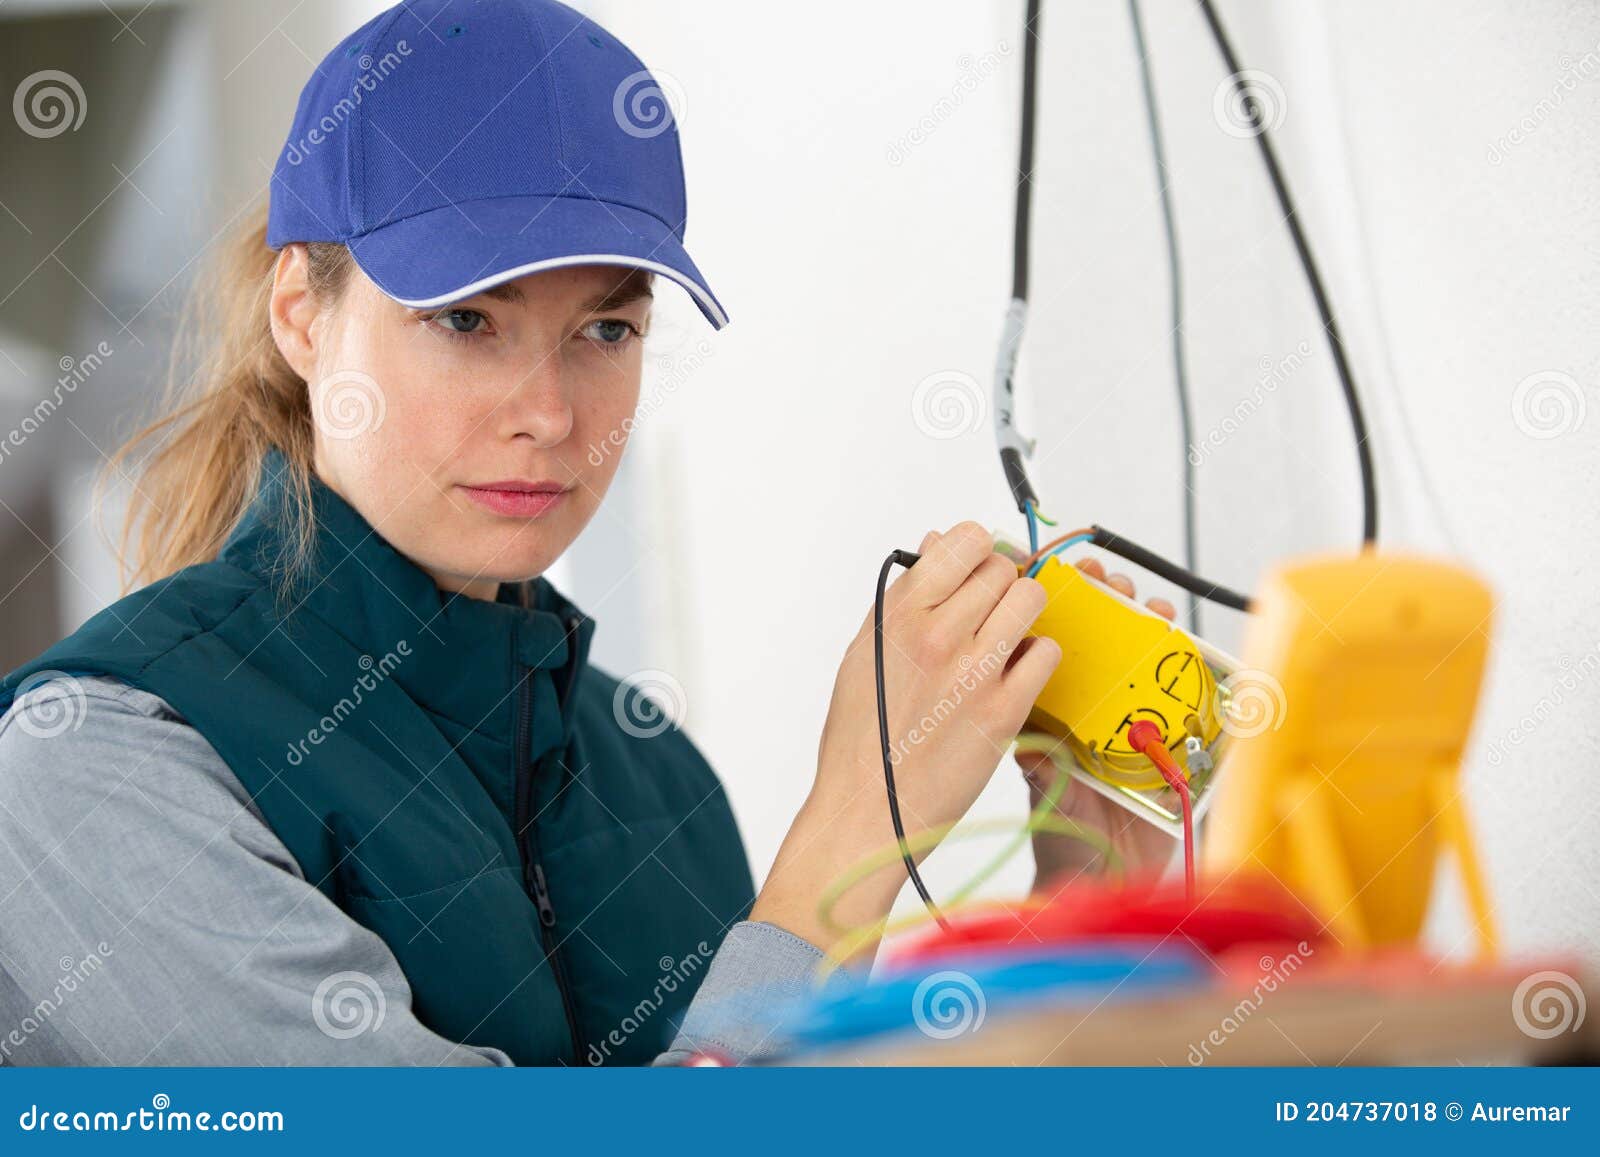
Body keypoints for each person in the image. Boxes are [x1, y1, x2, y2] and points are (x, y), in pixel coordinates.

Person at [0, 0, 1171, 1067]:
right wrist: (857, 823)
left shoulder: (650, 772)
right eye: (467, 319)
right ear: (304, 317)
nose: (552, 415)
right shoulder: (97, 764)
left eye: (605, 330)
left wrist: (1091, 889)